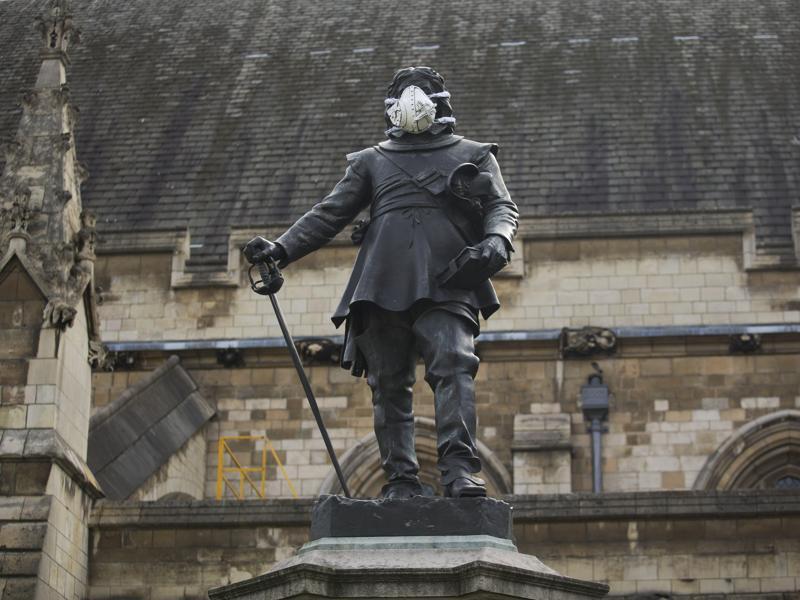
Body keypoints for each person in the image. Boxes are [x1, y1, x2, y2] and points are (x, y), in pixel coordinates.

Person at [244, 66, 518, 499]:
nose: (415, 98)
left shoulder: (475, 154)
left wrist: (498, 239)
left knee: (454, 362)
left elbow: (502, 206)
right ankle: (401, 481)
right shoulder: (371, 161)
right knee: (388, 383)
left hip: (449, 277)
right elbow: (329, 214)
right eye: (406, 91)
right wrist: (281, 249)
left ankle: (459, 469)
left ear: (441, 101)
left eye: (423, 90)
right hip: (381, 281)